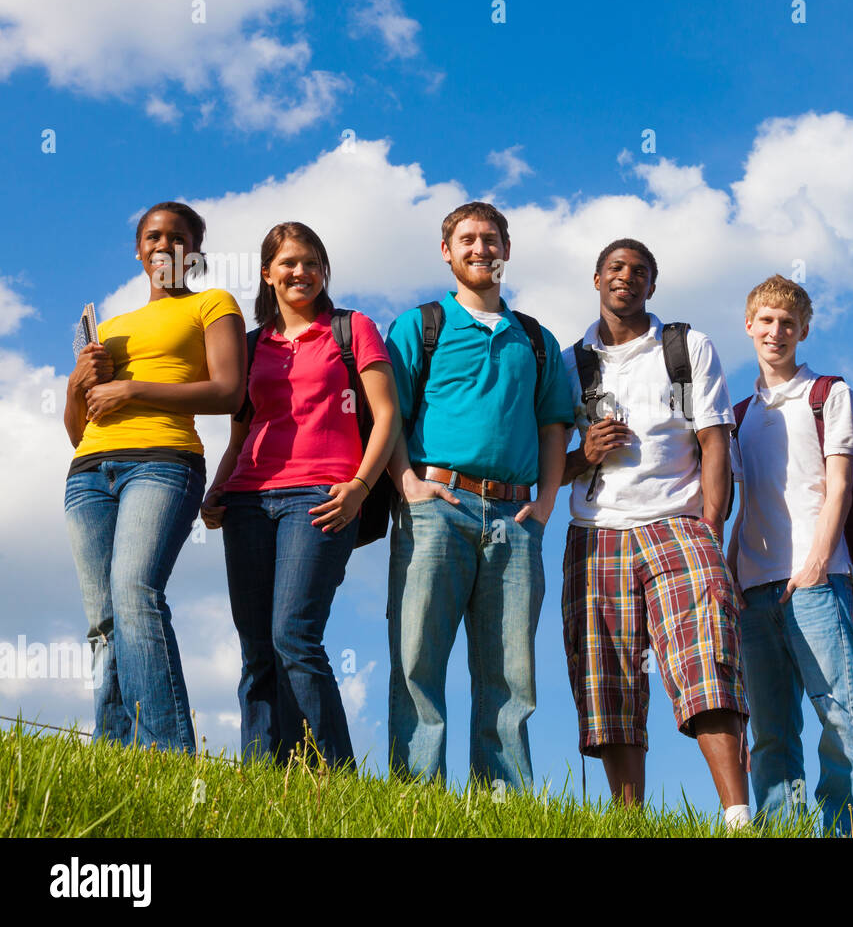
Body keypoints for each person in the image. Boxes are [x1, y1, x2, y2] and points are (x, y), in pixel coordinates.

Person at [561, 237, 750, 828]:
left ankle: (737, 814)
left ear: (652, 285)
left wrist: (711, 522)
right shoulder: (570, 363)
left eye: (640, 271)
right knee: (605, 674)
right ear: (597, 280)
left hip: (678, 522)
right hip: (596, 533)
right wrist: (583, 453)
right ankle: (629, 822)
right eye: (616, 268)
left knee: (706, 659)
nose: (627, 278)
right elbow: (546, 464)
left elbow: (715, 437)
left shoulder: (686, 347)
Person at [385, 202, 571, 790]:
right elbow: (389, 415)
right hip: (437, 505)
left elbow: (553, 428)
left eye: (491, 239)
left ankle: (506, 805)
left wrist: (544, 507)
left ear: (507, 251)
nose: (480, 249)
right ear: (447, 251)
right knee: (418, 659)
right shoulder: (421, 326)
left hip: (516, 519)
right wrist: (407, 485)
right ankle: (417, 801)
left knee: (511, 674)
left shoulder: (536, 340)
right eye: (466, 239)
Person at [200, 222, 398, 768]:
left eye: (311, 262)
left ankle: (334, 777)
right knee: (257, 648)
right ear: (267, 273)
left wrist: (360, 486)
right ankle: (262, 775)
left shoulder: (352, 328)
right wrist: (217, 488)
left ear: (323, 271)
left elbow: (386, 416)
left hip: (321, 496)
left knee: (294, 636)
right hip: (246, 499)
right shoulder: (250, 346)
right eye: (288, 262)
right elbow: (240, 433)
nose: (300, 272)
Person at [64, 201, 245, 753]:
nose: (163, 245)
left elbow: (228, 391)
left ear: (195, 251)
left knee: (135, 590)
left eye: (177, 237)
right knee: (103, 619)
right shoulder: (111, 327)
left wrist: (133, 389)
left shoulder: (214, 304)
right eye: (153, 237)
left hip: (163, 461)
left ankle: (167, 751)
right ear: (139, 250)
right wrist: (79, 381)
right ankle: (113, 748)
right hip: (89, 472)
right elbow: (77, 429)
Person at [727, 275, 853, 836]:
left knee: (840, 713)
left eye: (788, 323)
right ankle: (779, 830)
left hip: (815, 579)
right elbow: (744, 505)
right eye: (766, 321)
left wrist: (816, 562)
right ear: (749, 326)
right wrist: (729, 567)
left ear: (804, 331)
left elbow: (839, 487)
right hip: (752, 586)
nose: (776, 331)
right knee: (770, 729)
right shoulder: (739, 413)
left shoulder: (830, 394)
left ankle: (849, 829)